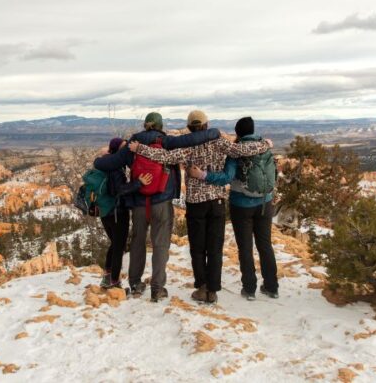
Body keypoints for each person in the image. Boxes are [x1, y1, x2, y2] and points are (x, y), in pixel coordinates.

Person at [129, 110, 272, 304]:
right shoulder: (219, 143)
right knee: (215, 248)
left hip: (196, 203)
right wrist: (265, 144)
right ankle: (212, 291)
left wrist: (139, 149)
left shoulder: (188, 147)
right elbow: (241, 151)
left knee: (198, 249)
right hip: (217, 202)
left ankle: (202, 288)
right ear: (206, 125)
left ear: (190, 127)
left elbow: (163, 156)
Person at [93, 112, 221, 302]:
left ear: (145, 125)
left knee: (137, 243)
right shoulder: (166, 141)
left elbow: (106, 164)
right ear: (161, 126)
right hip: (161, 201)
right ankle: (157, 288)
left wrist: (98, 159)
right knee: (160, 245)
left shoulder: (133, 145)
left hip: (138, 202)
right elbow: (191, 138)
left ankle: (135, 284)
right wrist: (213, 132)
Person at [187, 117, 279, 301]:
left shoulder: (235, 152)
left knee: (245, 247)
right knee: (265, 245)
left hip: (241, 205)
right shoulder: (264, 146)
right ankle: (271, 287)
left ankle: (250, 289)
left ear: (238, 133)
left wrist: (203, 175)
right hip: (265, 202)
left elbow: (226, 177)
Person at [94, 137, 152, 289]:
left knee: (114, 244)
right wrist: (138, 183)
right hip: (117, 212)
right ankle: (114, 282)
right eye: (124, 148)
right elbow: (119, 190)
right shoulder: (115, 168)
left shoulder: (107, 165)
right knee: (119, 247)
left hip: (106, 212)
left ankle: (107, 277)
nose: (127, 150)